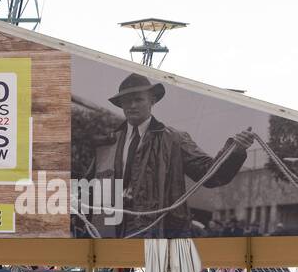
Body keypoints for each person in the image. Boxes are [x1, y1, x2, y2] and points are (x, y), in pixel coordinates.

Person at [83, 72, 253, 237]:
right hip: (110, 234)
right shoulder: (107, 144)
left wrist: (235, 152)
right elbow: (87, 188)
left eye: (138, 99)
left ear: (152, 100)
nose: (132, 105)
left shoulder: (174, 139)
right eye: (127, 101)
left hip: (160, 233)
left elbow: (208, 174)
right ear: (121, 104)